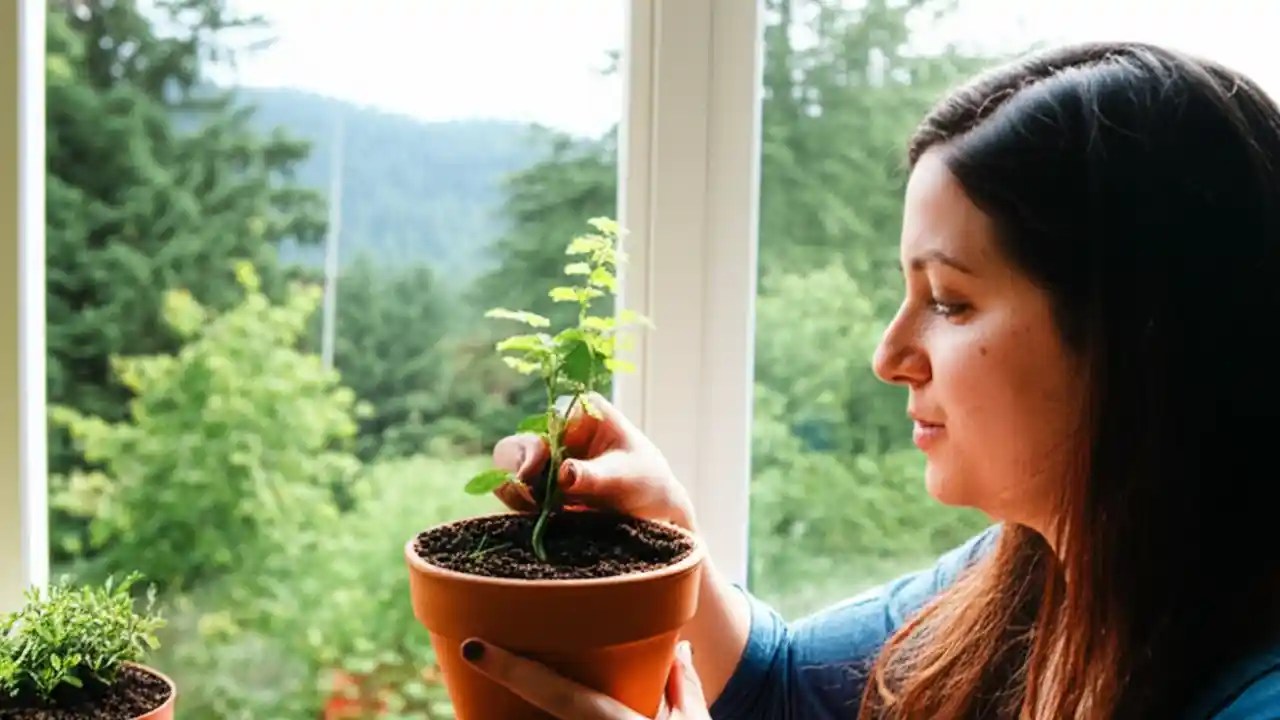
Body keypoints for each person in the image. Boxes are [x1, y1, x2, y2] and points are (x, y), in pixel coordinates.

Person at [454, 40, 1280, 719]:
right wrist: (668, 539)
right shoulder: (1034, 582)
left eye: (950, 302)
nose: (888, 356)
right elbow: (783, 694)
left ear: (1138, 337)